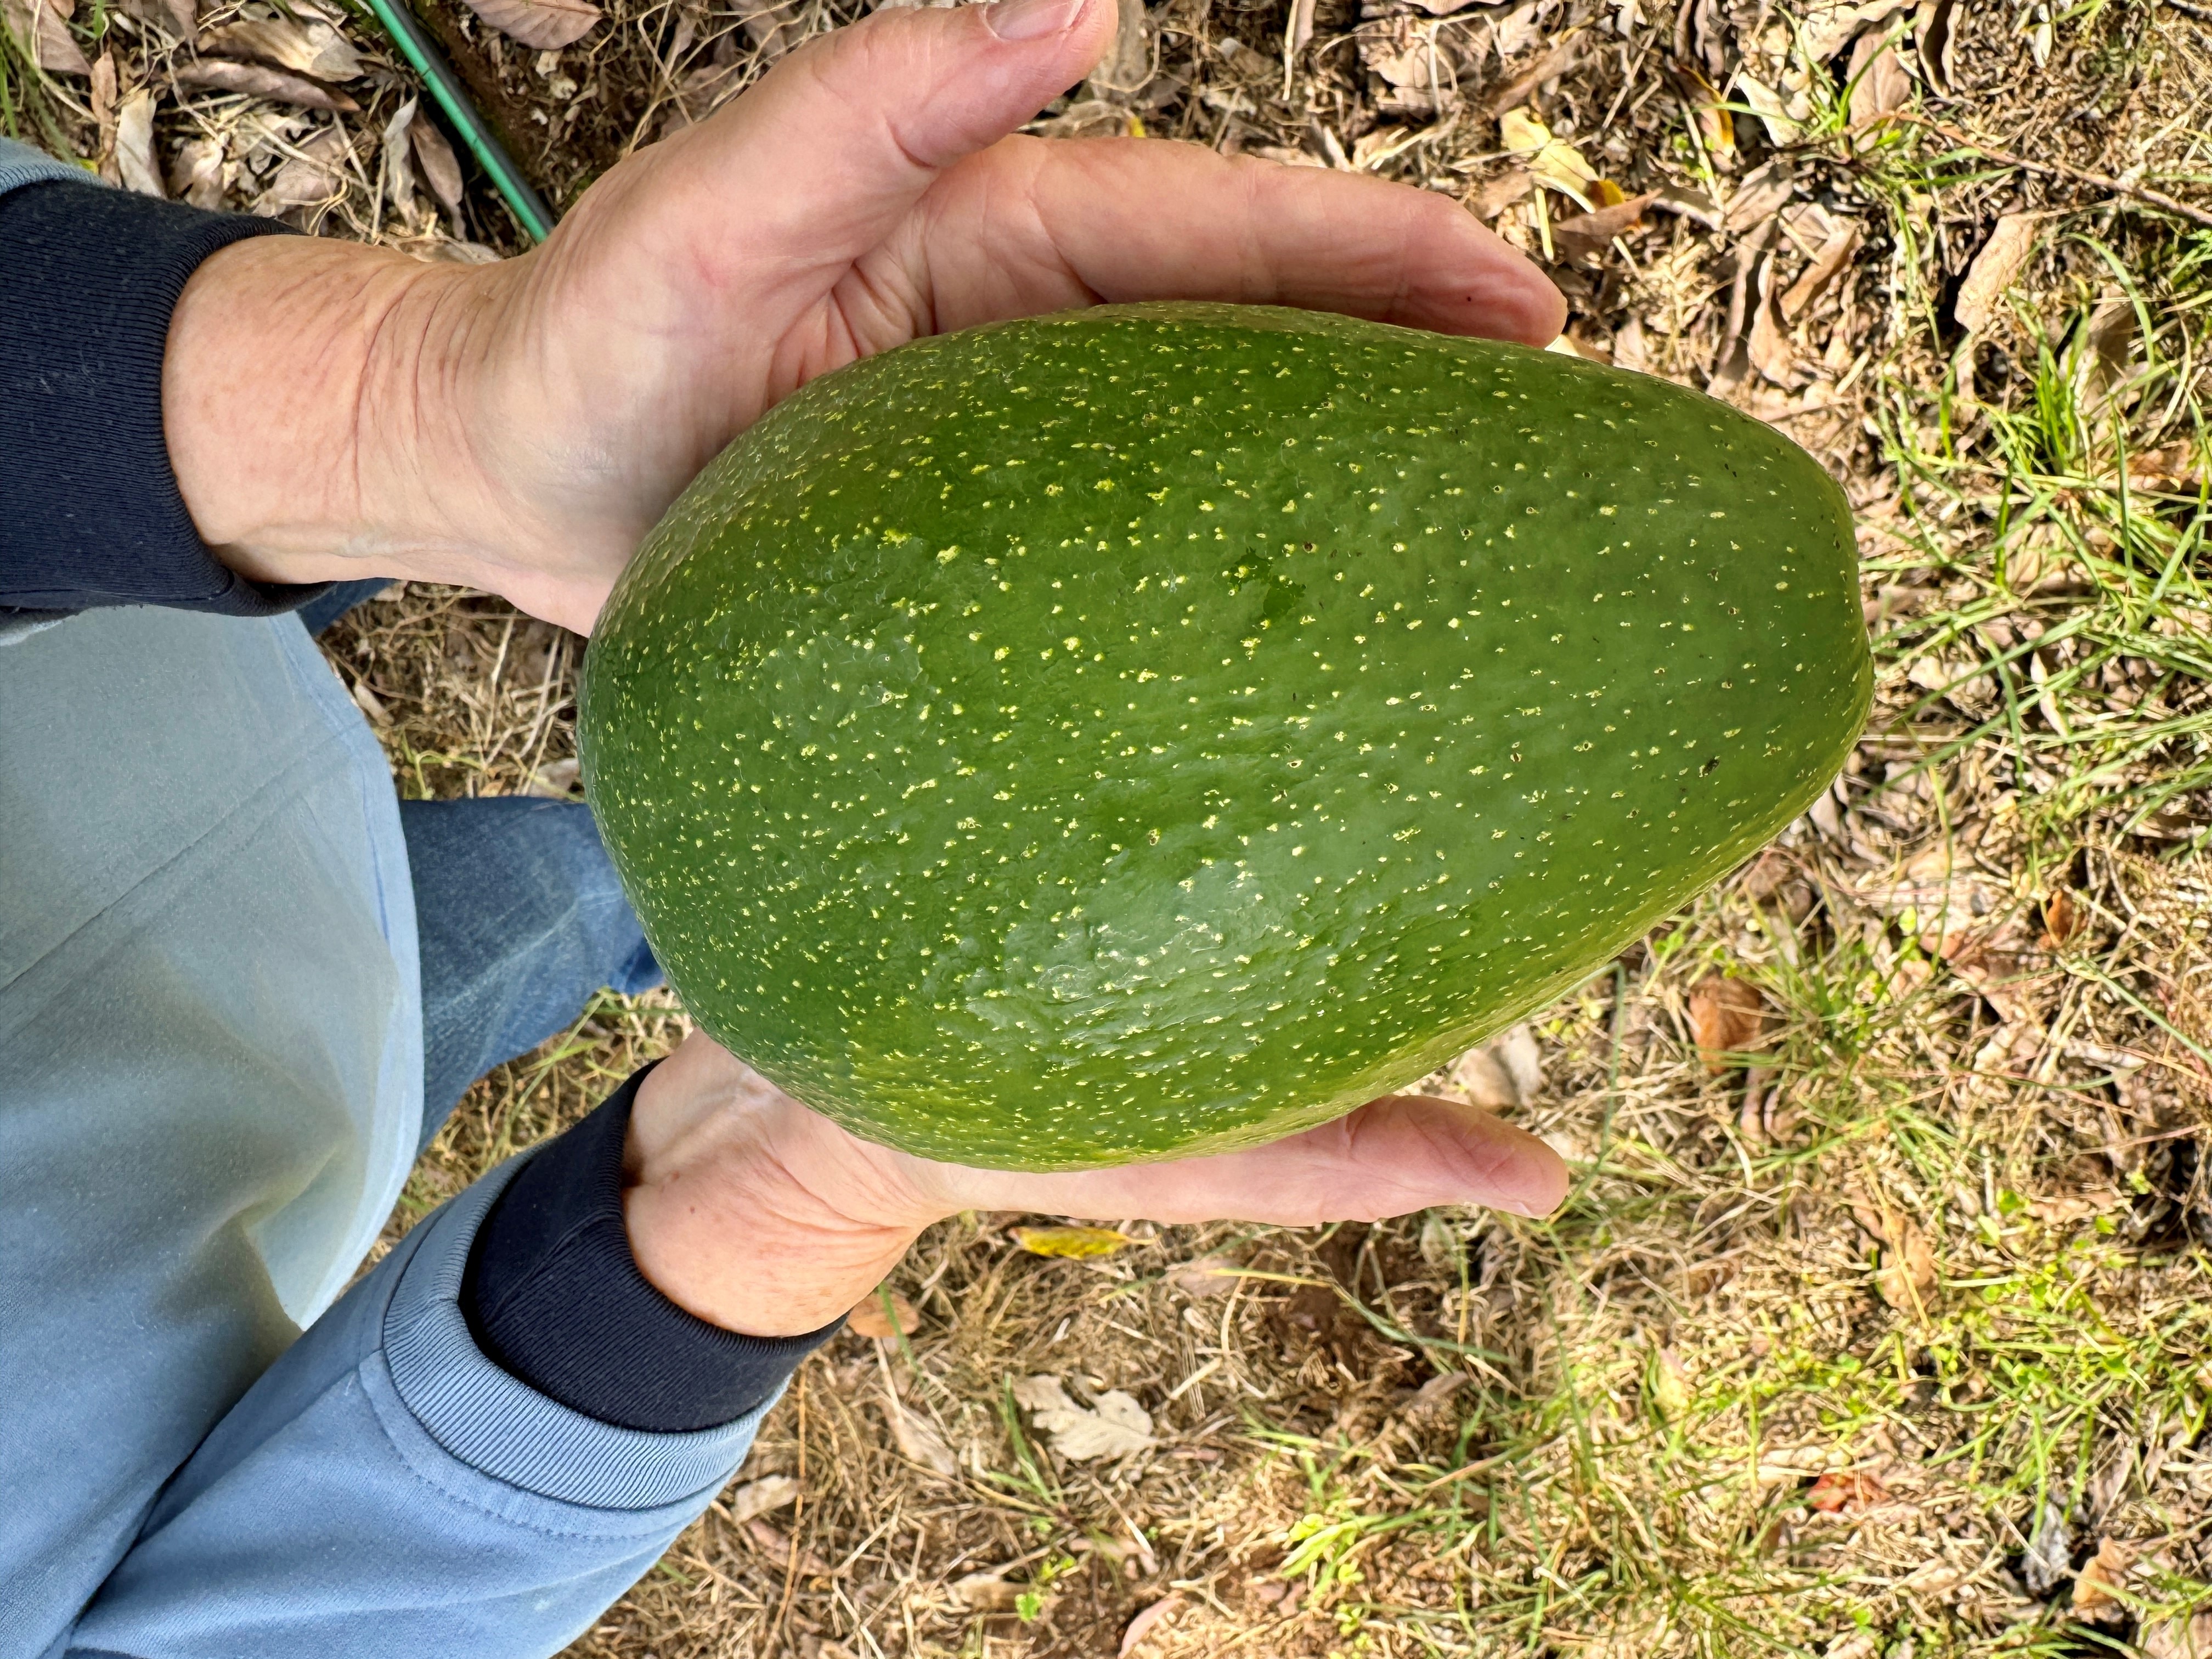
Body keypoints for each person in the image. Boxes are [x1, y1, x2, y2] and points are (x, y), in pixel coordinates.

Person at [0, 0, 1571, 1650]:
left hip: (124, 622)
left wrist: (395, 417)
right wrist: (750, 1200)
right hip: (308, 1053)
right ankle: (623, 902)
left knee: (531, 880)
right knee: (496, 933)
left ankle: (618, 874)